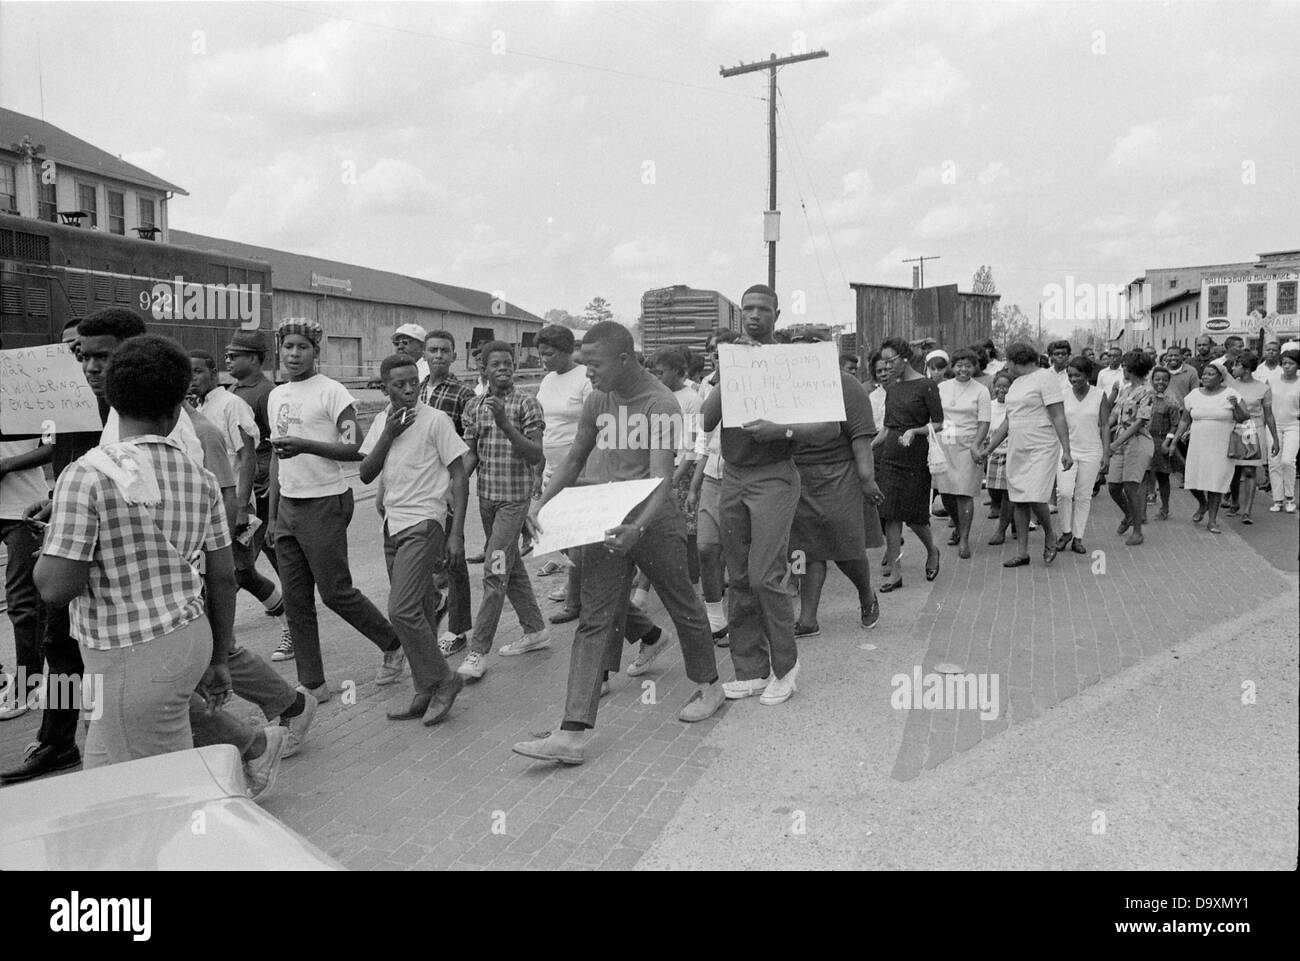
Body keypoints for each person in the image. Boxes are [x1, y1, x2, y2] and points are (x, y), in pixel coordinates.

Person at [32, 335, 261, 771]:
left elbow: (56, 588)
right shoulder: (201, 478)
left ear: (113, 404)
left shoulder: (87, 475)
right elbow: (224, 578)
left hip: (128, 654)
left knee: (142, 791)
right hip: (188, 637)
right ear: (177, 409)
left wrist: (50, 543)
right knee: (128, 774)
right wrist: (217, 662)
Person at [512, 322, 723, 765]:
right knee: (594, 618)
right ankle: (571, 733)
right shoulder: (597, 400)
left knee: (684, 603)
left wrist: (638, 528)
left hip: (653, 522)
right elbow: (573, 459)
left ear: (625, 360)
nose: (587, 372)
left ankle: (710, 686)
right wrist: (541, 505)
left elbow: (663, 480)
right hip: (605, 522)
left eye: (594, 364)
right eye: (584, 364)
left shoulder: (660, 404)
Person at [0, 309, 133, 784]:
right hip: (73, 534)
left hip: (120, 555)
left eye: (97, 355)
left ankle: (259, 725)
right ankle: (57, 744)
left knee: (134, 655)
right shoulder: (72, 404)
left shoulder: (136, 408)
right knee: (58, 639)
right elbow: (68, 463)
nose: (86, 366)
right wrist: (55, 503)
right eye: (78, 355)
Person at [699, 285, 839, 705]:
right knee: (738, 577)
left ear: (777, 315)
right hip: (733, 474)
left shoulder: (792, 360)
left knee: (765, 575)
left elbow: (831, 427)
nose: (754, 315)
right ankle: (752, 670)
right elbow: (708, 420)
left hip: (774, 476)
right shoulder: (734, 358)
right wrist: (730, 373)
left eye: (762, 309)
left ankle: (786, 667)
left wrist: (784, 429)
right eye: (747, 309)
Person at [268, 319, 406, 702]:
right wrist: (272, 512)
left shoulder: (333, 392)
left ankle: (394, 643)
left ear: (316, 351)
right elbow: (280, 459)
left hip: (325, 502)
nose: (294, 354)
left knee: (335, 592)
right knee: (295, 599)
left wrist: (305, 445)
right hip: (288, 508)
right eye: (288, 347)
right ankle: (312, 681)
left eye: (303, 347)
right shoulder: (277, 395)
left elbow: (353, 449)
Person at [360, 354, 470, 725]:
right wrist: (388, 433)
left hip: (425, 522)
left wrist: (456, 535)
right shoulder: (381, 422)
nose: (408, 389)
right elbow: (365, 472)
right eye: (398, 384)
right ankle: (425, 689)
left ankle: (444, 679)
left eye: (413, 383)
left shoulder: (435, 420)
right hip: (392, 524)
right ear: (384, 387)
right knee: (420, 610)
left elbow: (459, 474)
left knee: (400, 610)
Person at [458, 341, 549, 680]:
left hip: (514, 502)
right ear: (482, 369)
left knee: (495, 571)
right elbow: (471, 456)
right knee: (511, 566)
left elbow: (535, 455)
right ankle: (535, 630)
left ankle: (478, 653)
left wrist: (505, 423)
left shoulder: (527, 403)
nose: (503, 368)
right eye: (494, 363)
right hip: (487, 502)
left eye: (507, 363)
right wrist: (450, 490)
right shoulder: (474, 407)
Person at [191, 350, 291, 641]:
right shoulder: (194, 409)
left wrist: (244, 508)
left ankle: (286, 630)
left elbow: (248, 457)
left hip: (234, 504)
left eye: (198, 371)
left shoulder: (231, 404)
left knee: (235, 571)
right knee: (236, 573)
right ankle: (288, 625)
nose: (192, 378)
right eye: (188, 373)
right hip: (206, 507)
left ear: (213, 372)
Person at [788, 335, 884, 633]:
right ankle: (808, 618)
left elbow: (861, 435)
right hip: (798, 477)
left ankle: (867, 596)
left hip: (839, 475)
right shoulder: (788, 387)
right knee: (803, 551)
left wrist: (867, 479)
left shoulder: (847, 385)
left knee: (846, 549)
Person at [413, 329, 478, 655]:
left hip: (448, 487)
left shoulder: (464, 394)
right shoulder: (417, 389)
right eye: (433, 350)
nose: (438, 356)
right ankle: (432, 613)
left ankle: (458, 629)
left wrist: (455, 487)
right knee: (427, 556)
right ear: (424, 355)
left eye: (444, 351)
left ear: (454, 356)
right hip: (418, 487)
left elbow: (470, 448)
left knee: (453, 559)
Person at [224, 330, 291, 652]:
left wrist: (262, 488)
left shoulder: (267, 393)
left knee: (241, 562)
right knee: (265, 553)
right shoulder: (233, 390)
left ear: (253, 358)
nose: (228, 360)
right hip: (241, 488)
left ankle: (292, 616)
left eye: (234, 355)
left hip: (258, 491)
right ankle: (290, 603)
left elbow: (275, 445)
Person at [978, 342, 1073, 566]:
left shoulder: (1045, 378)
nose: (1006, 366)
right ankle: (1022, 552)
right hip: (1018, 445)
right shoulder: (1017, 383)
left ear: (1014, 360)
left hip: (1041, 445)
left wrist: (1066, 450)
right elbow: (1009, 420)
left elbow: (1058, 415)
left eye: (1007, 361)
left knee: (1035, 495)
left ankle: (1050, 534)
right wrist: (988, 449)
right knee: (1019, 497)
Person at [533, 325, 593, 623]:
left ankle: (574, 600)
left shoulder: (585, 378)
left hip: (579, 465)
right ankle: (575, 585)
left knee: (577, 533)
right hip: (552, 467)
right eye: (541, 353)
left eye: (550, 353)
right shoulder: (546, 380)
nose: (544, 359)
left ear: (568, 350)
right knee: (561, 533)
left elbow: (594, 424)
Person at [873, 337, 943, 587]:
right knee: (890, 515)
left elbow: (939, 423)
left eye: (891, 361)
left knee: (914, 518)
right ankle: (896, 572)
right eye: (884, 362)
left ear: (904, 358)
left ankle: (932, 551)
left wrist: (914, 431)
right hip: (891, 457)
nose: (888, 367)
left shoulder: (927, 386)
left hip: (915, 457)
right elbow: (886, 428)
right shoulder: (892, 389)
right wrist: (864, 449)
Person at [687, 328, 738, 643]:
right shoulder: (706, 386)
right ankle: (716, 618)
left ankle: (742, 622)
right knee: (706, 547)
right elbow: (701, 439)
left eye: (721, 351)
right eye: (711, 352)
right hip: (711, 474)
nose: (715, 357)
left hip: (740, 474)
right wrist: (693, 484)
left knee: (737, 554)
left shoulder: (748, 381)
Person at [0, 420, 52, 721]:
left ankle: (28, 685)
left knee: (23, 603)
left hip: (23, 507)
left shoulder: (34, 381)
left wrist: (7, 464)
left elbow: (52, 448)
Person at [1171, 362, 1249, 533]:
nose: (1205, 377)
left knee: (1216, 482)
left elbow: (1244, 417)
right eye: (1204, 374)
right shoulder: (1193, 395)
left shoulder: (1231, 393)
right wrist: (1175, 440)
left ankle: (1212, 521)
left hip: (1221, 445)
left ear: (1221, 377)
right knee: (1192, 480)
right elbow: (1185, 420)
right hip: (1198, 444)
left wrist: (1235, 405)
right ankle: (1202, 504)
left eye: (1210, 374)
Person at [933, 349, 991, 559]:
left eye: (968, 366)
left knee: (964, 492)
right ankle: (957, 526)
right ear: (953, 366)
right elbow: (936, 416)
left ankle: (965, 538)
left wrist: (977, 445)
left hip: (969, 443)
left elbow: (984, 422)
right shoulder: (942, 387)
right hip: (946, 439)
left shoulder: (981, 390)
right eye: (959, 365)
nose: (963, 370)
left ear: (974, 367)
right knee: (946, 492)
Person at [1055, 357, 1111, 554]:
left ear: (1087, 375)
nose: (1073, 379)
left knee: (1083, 495)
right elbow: (1059, 423)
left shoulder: (1099, 395)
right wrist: (1065, 450)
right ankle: (1065, 531)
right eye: (1070, 375)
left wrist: (1106, 453)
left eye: (1077, 375)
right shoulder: (1062, 395)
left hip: (1091, 451)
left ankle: (1078, 537)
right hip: (1067, 450)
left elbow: (1104, 426)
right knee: (1063, 492)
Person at [1105, 350, 1156, 546]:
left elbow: (1139, 422)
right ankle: (1128, 514)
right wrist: (1102, 428)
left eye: (1125, 366)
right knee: (1113, 487)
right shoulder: (1126, 390)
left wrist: (1115, 443)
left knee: (1131, 486)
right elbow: (1114, 415)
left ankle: (1137, 531)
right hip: (1120, 442)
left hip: (1138, 442)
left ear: (1132, 369)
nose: (1122, 369)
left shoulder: (1147, 391)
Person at [1224, 350, 1280, 524]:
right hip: (1234, 428)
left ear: (1246, 369)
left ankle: (1247, 510)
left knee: (1249, 470)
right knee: (1234, 470)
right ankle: (1234, 501)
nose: (1233, 368)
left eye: (1236, 365)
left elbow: (1269, 415)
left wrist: (1275, 439)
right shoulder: (1230, 386)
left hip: (1254, 430)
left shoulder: (1263, 388)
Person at [1266, 345, 1299, 512]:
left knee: (1288, 461)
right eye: (1284, 363)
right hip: (1273, 425)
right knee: (1274, 462)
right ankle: (1277, 499)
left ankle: (1290, 497)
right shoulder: (1272, 380)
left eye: (1291, 363)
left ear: (1298, 365)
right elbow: (1266, 403)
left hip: (1294, 425)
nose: (1287, 366)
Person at [1147, 367, 1183, 520]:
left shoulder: (1171, 402)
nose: (1160, 382)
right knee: (1144, 475)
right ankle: (1141, 509)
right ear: (1152, 380)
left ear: (1168, 381)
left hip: (1161, 440)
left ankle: (1165, 508)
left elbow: (1175, 424)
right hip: (1145, 439)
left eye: (1164, 379)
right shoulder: (1146, 397)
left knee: (1162, 477)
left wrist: (1167, 442)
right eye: (1157, 379)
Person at [984, 371, 1015, 543]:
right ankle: (1014, 519)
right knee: (994, 491)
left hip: (1011, 454)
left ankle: (1001, 530)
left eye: (1006, 386)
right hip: (992, 454)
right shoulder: (989, 405)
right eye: (998, 386)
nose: (1002, 390)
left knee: (1007, 493)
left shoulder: (1015, 406)